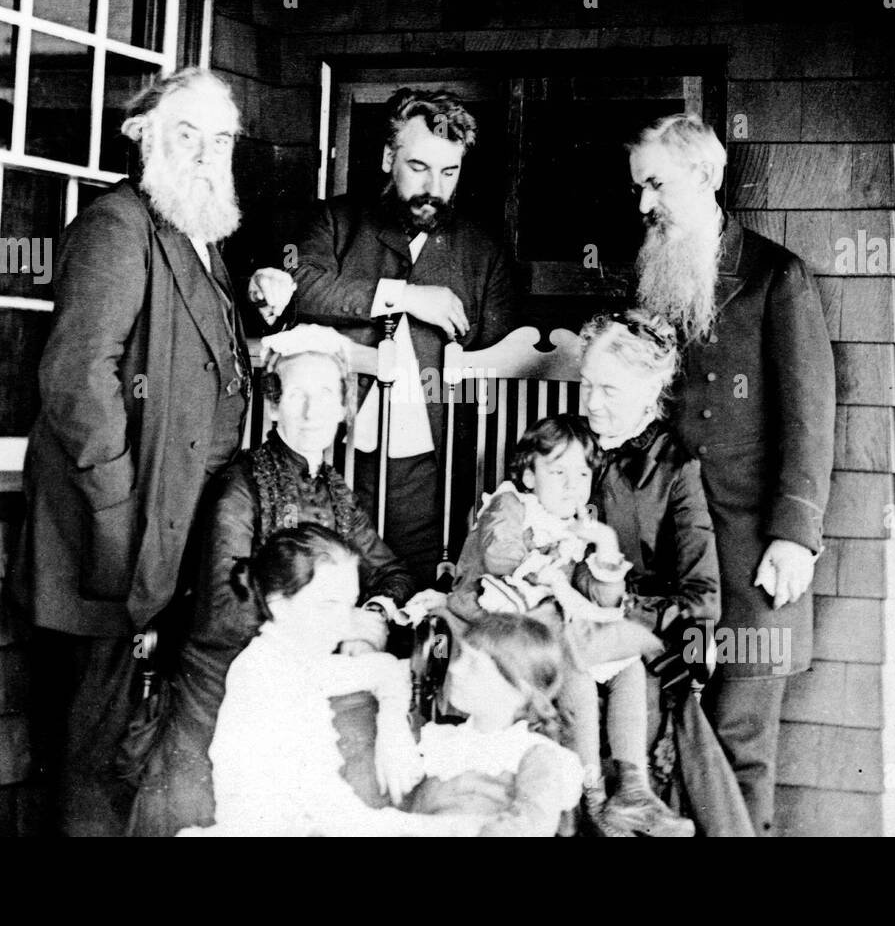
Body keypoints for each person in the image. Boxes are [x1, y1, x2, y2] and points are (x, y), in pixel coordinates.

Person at [6, 67, 292, 836]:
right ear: (145, 138)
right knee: (99, 753)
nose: (205, 154)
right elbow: (76, 377)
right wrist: (119, 505)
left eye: (220, 139)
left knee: (142, 750)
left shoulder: (196, 234)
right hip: (113, 539)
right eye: (186, 134)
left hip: (171, 536)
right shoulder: (116, 225)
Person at [125, 324, 425, 836]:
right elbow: (222, 610)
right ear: (273, 405)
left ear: (343, 408)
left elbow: (393, 571)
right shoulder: (240, 487)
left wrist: (369, 616)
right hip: (230, 670)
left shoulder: (335, 492)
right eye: (297, 395)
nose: (312, 412)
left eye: (326, 395)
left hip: (312, 661)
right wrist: (335, 627)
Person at [626, 113, 836, 835]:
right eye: (639, 187)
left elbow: (810, 420)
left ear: (706, 176)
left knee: (741, 747)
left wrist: (795, 536)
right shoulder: (653, 271)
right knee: (672, 741)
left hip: (752, 553)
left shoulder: (778, 276)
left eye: (656, 183)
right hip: (677, 552)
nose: (644, 203)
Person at [264, 87, 514, 588]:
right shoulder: (335, 220)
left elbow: (496, 361)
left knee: (415, 585)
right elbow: (302, 286)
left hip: (430, 467)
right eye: (419, 166)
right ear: (387, 157)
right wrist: (405, 296)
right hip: (333, 446)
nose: (433, 188)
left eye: (449, 172)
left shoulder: (483, 251)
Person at [443, 414, 692, 836]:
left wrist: (603, 543)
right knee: (575, 666)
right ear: (527, 474)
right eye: (557, 472)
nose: (571, 484)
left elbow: (601, 599)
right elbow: (499, 557)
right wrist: (547, 567)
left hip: (547, 623)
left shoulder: (576, 524)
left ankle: (633, 788)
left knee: (627, 664)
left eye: (581, 473)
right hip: (496, 618)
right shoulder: (511, 504)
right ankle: (591, 794)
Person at [181, 524, 483, 837]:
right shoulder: (264, 675)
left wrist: (393, 731)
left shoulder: (296, 658)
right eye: (328, 604)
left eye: (349, 603)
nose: (345, 621)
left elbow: (386, 669)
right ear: (278, 604)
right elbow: (331, 815)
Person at [405, 614, 584, 837]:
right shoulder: (438, 741)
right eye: (460, 656)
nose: (455, 669)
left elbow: (530, 826)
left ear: (520, 690)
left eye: (474, 665)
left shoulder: (534, 755)